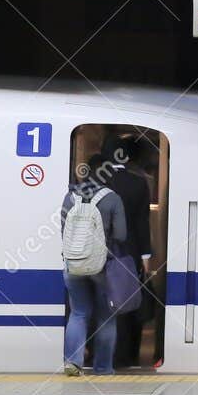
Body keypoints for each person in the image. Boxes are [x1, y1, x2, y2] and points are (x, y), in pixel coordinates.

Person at [59, 152, 127, 377]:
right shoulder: (113, 198)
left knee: (78, 313)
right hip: (103, 267)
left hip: (73, 264)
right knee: (106, 316)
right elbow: (121, 235)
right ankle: (103, 367)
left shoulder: (70, 197)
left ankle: (73, 362)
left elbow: (63, 231)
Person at [101, 133, 152, 368]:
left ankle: (101, 356)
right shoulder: (138, 183)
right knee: (125, 302)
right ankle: (125, 355)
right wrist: (145, 257)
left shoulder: (96, 184)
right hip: (128, 252)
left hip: (98, 251)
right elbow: (142, 223)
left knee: (101, 303)